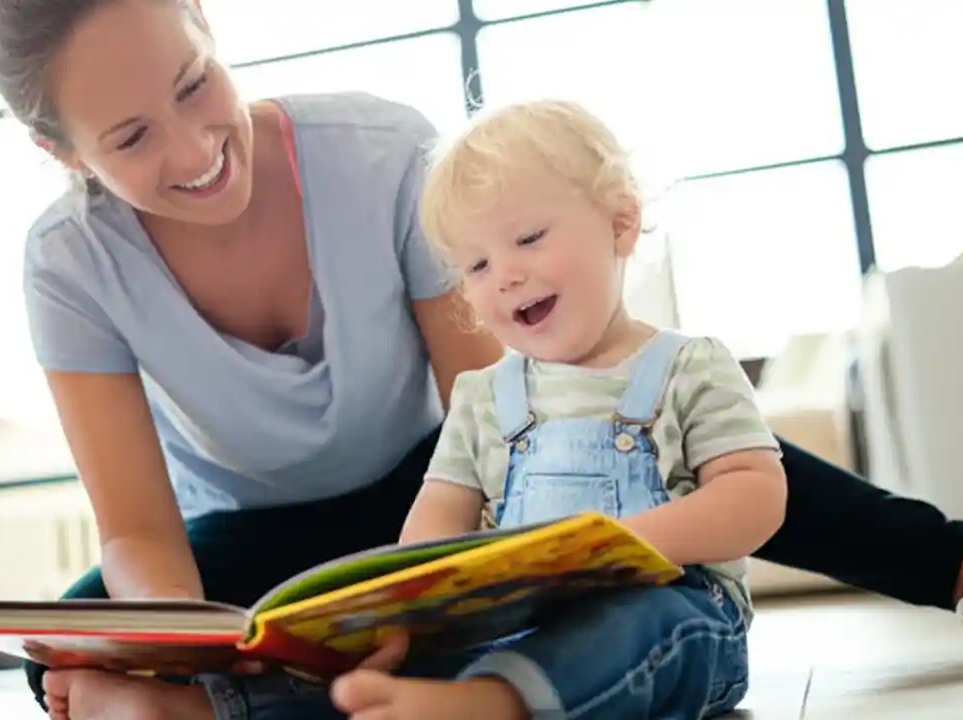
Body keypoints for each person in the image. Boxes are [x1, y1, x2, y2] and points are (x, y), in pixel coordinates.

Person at [0, 0, 963, 717]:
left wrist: (457, 585)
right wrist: (172, 651)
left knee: (668, 431)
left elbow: (517, 404)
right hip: (244, 539)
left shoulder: (376, 154)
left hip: (437, 486)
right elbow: (141, 531)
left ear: (207, 22)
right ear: (60, 152)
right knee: (75, 635)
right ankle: (220, 695)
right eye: (131, 138)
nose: (194, 150)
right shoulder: (69, 265)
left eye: (196, 84)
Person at [325, 97, 785, 719]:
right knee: (393, 654)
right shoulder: (482, 397)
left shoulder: (689, 366)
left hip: (680, 618)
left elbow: (756, 497)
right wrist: (416, 611)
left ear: (620, 224)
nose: (506, 275)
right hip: (523, 627)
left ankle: (496, 704)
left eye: (529, 238)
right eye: (478, 264)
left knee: (641, 620)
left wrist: (619, 543)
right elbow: (435, 522)